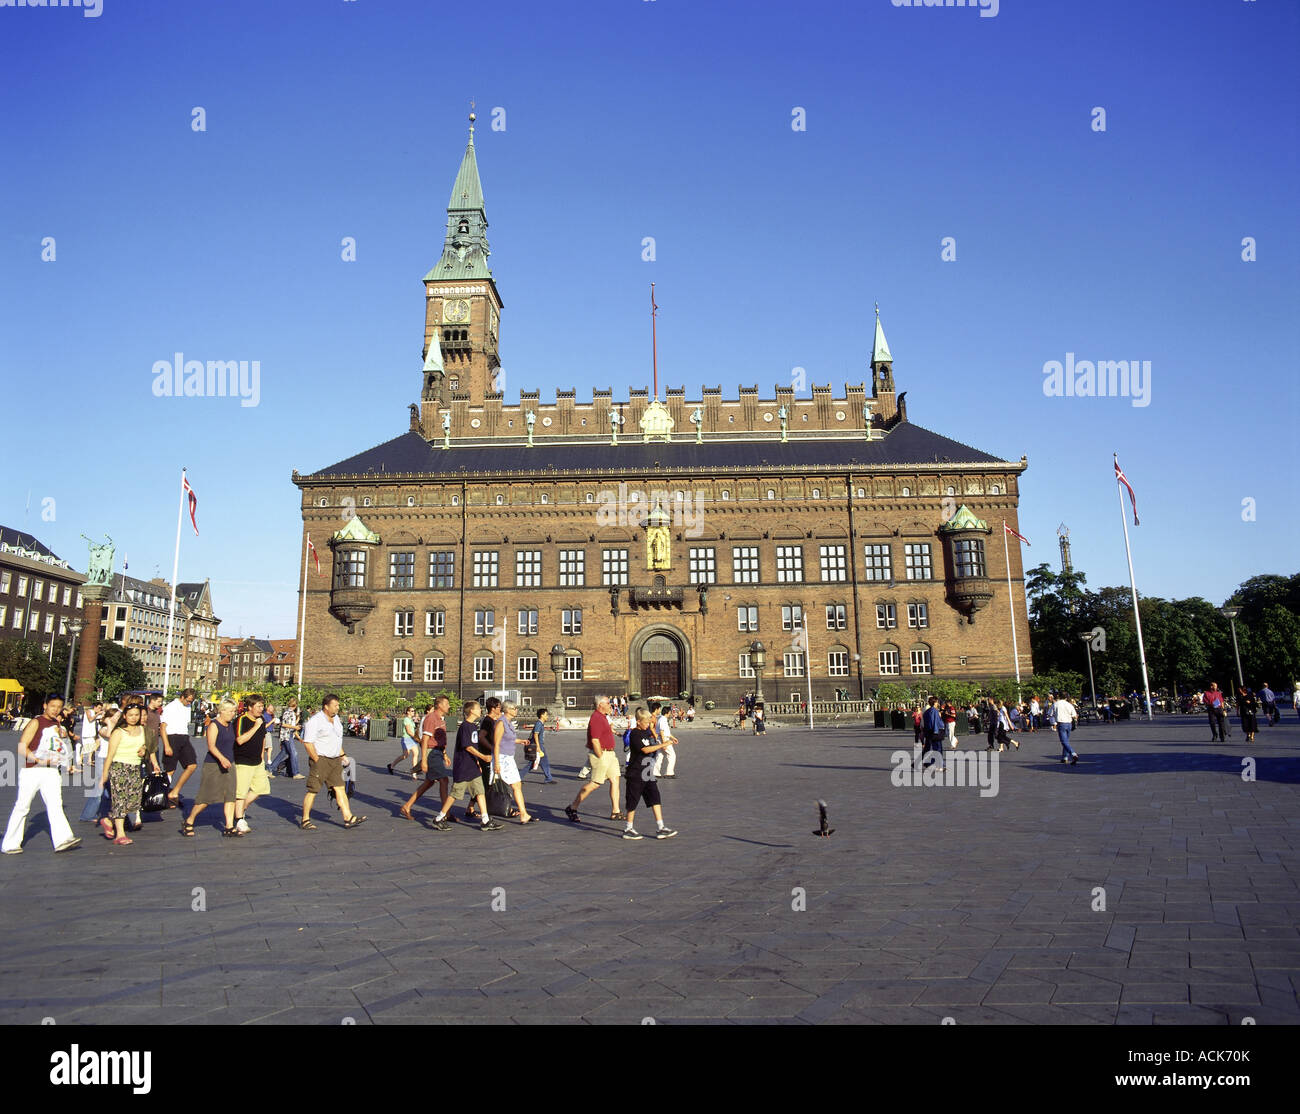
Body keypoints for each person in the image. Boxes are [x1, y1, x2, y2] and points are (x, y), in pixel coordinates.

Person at [2, 694, 82, 854]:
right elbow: (21, 747)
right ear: (45, 705)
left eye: (59, 707)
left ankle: (63, 839)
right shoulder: (36, 722)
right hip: (32, 770)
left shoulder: (56, 723)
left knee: (55, 805)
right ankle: (10, 843)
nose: (56, 710)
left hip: (51, 770)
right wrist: (38, 759)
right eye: (53, 706)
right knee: (22, 806)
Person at [428, 701, 502, 832]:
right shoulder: (465, 727)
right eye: (478, 708)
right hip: (464, 766)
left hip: (473, 766)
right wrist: (483, 757)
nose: (481, 710)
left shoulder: (473, 726)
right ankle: (439, 818)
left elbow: (474, 746)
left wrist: (477, 763)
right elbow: (467, 746)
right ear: (471, 711)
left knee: (480, 791)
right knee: (455, 793)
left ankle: (485, 820)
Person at [299, 694, 366, 830]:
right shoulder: (315, 721)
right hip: (321, 758)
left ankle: (348, 817)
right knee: (313, 790)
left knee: (340, 788)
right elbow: (308, 743)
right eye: (335, 705)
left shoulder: (336, 720)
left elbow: (336, 740)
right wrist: (317, 761)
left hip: (335, 759)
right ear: (326, 706)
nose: (338, 707)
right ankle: (305, 819)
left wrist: (343, 755)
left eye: (338, 705)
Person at [181, 698, 242, 837]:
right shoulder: (214, 725)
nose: (233, 714)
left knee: (230, 796)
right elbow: (211, 746)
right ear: (222, 711)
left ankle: (229, 826)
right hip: (214, 765)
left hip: (230, 763)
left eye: (234, 711)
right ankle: (189, 821)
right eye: (231, 711)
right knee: (207, 797)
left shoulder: (230, 725)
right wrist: (222, 759)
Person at [101, 702, 159, 846]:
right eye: (131, 715)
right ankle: (120, 835)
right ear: (125, 716)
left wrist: (144, 750)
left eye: (136, 715)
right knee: (120, 799)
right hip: (118, 767)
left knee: (133, 801)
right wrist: (104, 774)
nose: (134, 718)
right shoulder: (119, 732)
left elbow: (148, 747)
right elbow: (110, 755)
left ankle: (109, 820)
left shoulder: (142, 730)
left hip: (135, 767)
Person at [621, 707, 678, 840]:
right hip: (636, 772)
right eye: (645, 722)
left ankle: (661, 827)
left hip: (647, 770)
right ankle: (628, 828)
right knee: (633, 799)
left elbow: (653, 734)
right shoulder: (635, 734)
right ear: (639, 721)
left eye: (648, 722)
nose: (648, 724)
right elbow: (645, 749)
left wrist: (668, 738)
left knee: (655, 797)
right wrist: (663, 744)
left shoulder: (647, 731)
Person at [565, 695, 623, 823]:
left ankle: (616, 811)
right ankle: (572, 807)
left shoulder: (603, 717)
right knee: (595, 784)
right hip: (601, 754)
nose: (610, 705)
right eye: (608, 703)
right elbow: (595, 740)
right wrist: (601, 756)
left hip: (610, 753)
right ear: (600, 705)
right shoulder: (596, 718)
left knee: (615, 780)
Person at [401, 697, 453, 820]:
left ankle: (407, 806)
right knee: (444, 780)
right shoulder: (431, 718)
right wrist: (424, 760)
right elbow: (425, 740)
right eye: (446, 704)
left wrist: (444, 754)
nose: (449, 706)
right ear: (439, 705)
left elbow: (440, 739)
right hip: (432, 753)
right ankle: (446, 813)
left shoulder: (441, 719)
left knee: (429, 782)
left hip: (438, 752)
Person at [492, 701, 538, 824]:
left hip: (508, 757)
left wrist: (520, 741)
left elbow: (508, 739)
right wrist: (496, 762)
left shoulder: (509, 723)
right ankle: (523, 813)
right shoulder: (501, 722)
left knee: (516, 785)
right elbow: (496, 743)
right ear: (507, 710)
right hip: (502, 758)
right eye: (514, 708)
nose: (516, 710)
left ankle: (524, 814)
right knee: (514, 785)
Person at [232, 695, 272, 833]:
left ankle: (239, 809)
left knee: (261, 788)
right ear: (250, 707)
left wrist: (262, 757)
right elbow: (240, 740)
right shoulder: (242, 720)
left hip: (257, 762)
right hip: (243, 761)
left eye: (262, 706)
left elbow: (262, 739)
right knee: (241, 792)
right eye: (259, 706)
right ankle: (238, 819)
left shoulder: (260, 720)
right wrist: (256, 726)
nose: (262, 709)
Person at [160, 687, 199, 808]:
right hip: (172, 737)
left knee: (192, 765)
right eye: (188, 700)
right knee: (170, 770)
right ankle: (163, 795)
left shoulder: (187, 707)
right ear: (182, 697)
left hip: (184, 737)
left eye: (191, 701)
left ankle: (174, 792)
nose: (189, 703)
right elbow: (162, 727)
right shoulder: (171, 707)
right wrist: (166, 745)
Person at [387, 705, 420, 778]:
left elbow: (413, 730)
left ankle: (414, 772)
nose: (413, 712)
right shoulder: (406, 719)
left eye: (414, 711)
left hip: (412, 739)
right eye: (412, 711)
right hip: (407, 739)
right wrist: (416, 737)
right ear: (408, 712)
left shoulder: (411, 720)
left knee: (416, 753)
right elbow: (408, 731)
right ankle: (391, 765)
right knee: (405, 756)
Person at [276, 697, 304, 778]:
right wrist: (295, 728)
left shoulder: (289, 713)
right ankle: (295, 773)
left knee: (284, 753)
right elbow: (284, 724)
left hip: (288, 735)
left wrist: (297, 721)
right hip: (287, 736)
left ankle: (271, 768)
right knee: (294, 753)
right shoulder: (289, 713)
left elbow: (290, 724)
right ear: (295, 705)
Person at [527, 707, 555, 783]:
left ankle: (548, 778)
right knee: (543, 762)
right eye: (546, 715)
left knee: (533, 763)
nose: (547, 716)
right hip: (538, 746)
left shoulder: (540, 723)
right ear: (542, 715)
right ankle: (548, 778)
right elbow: (535, 735)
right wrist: (538, 746)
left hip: (538, 745)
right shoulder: (539, 723)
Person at [651, 700, 677, 779]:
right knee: (672, 755)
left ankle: (655, 772)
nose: (671, 714)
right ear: (668, 712)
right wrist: (664, 743)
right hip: (663, 739)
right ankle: (669, 772)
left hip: (662, 739)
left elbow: (666, 732)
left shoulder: (661, 719)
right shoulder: (663, 720)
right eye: (670, 712)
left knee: (660, 755)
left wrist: (673, 738)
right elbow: (662, 732)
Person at [1051, 693, 1080, 764]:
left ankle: (1073, 753)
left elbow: (1050, 714)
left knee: (1064, 741)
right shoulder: (1069, 705)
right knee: (1066, 740)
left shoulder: (1055, 704)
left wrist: (1054, 722)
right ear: (1066, 697)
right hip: (1069, 723)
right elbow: (1075, 716)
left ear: (1059, 697)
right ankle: (1065, 757)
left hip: (1061, 723)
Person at [919, 696, 945, 771]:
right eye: (937, 702)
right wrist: (936, 731)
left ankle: (930, 763)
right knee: (938, 749)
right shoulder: (934, 711)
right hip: (936, 731)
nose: (938, 703)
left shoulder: (927, 711)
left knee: (932, 748)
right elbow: (934, 722)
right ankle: (938, 765)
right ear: (934, 702)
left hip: (929, 731)